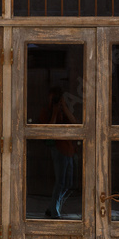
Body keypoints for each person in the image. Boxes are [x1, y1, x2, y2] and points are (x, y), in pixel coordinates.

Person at [39, 87, 77, 218]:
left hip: (69, 150)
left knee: (68, 183)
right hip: (58, 149)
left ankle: (51, 208)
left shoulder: (65, 111)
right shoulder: (46, 111)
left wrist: (64, 108)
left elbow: (74, 123)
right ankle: (55, 211)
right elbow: (49, 130)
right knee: (60, 181)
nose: (55, 101)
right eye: (53, 98)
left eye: (57, 99)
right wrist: (54, 112)